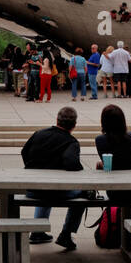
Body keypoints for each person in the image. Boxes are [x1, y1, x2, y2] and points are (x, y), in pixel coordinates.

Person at [21, 106, 86, 250]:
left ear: (56, 120)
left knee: (45, 186)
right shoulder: (71, 142)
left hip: (32, 189)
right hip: (57, 191)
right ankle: (66, 234)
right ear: (74, 126)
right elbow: (71, 163)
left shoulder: (38, 134)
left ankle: (37, 232)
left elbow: (24, 152)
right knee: (84, 195)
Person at [95, 103, 131, 212]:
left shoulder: (101, 140)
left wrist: (102, 165)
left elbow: (111, 163)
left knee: (121, 197)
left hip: (116, 190)